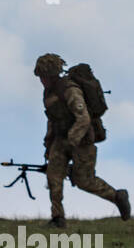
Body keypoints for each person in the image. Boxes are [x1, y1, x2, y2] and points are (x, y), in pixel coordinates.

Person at [35, 53, 129, 229]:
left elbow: (83, 118)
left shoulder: (70, 90)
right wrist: (49, 144)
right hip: (60, 140)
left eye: (44, 76)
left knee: (84, 181)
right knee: (53, 177)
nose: (42, 80)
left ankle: (117, 197)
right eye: (40, 77)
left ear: (53, 74)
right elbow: (52, 119)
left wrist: (72, 140)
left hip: (82, 141)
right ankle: (57, 218)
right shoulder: (48, 92)